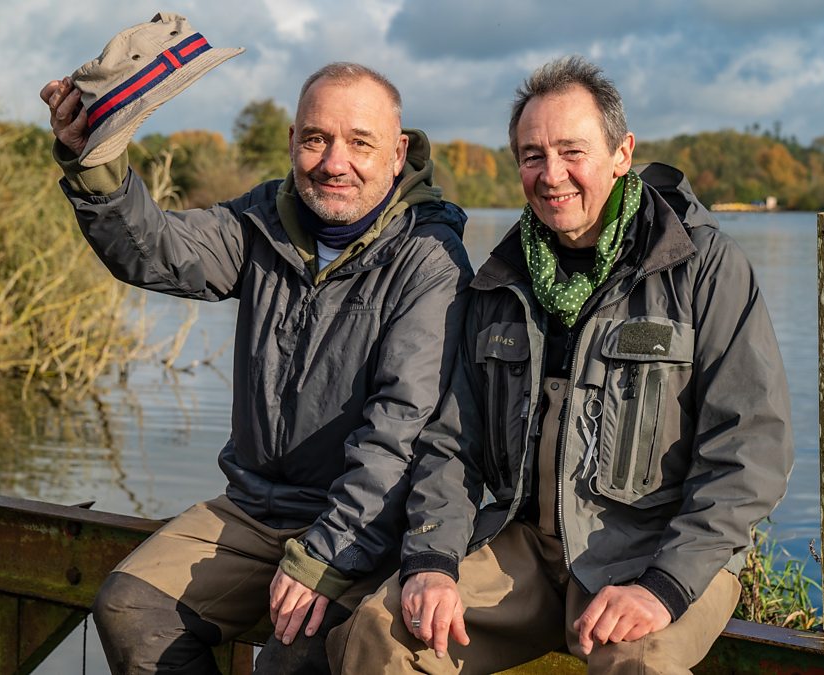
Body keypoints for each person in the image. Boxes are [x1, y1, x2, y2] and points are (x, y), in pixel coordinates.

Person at [328, 55, 794, 674]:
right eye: (531, 155)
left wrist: (664, 587)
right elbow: (451, 444)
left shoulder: (703, 265)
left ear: (621, 152)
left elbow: (751, 450)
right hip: (527, 548)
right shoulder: (497, 280)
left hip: (658, 552)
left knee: (640, 667)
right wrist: (433, 564)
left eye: (572, 151)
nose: (552, 175)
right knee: (382, 632)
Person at [41, 60, 472, 674]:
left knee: (291, 660)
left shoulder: (429, 260)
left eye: (360, 142)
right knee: (132, 608)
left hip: (364, 524)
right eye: (317, 138)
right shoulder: (264, 220)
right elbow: (156, 251)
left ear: (399, 152)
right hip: (253, 508)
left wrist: (324, 556)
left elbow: (400, 429)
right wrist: (93, 161)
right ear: (292, 141)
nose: (333, 161)